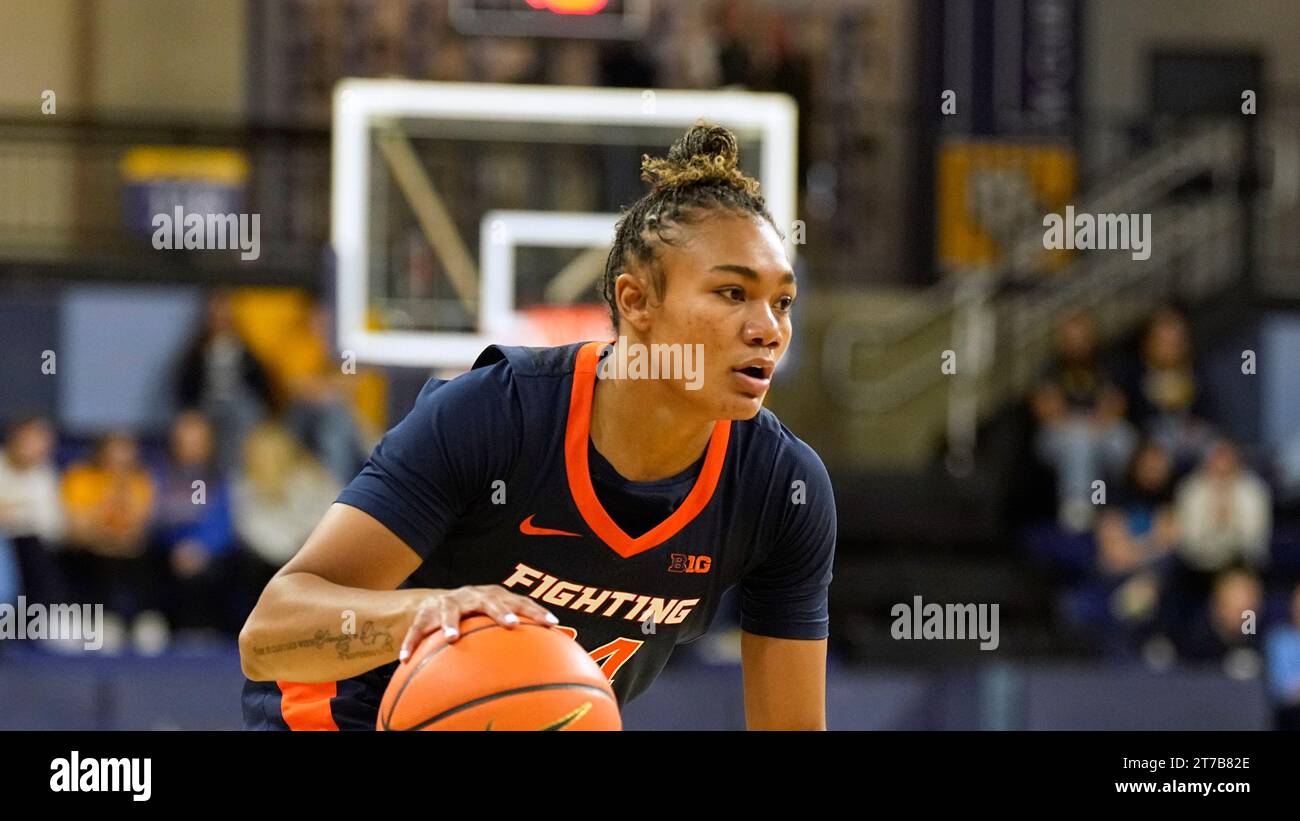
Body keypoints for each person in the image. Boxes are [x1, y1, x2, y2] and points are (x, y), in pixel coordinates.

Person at [239, 123, 836, 730]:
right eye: (732, 292)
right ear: (635, 302)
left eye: (781, 301)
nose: (769, 328)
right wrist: (429, 613)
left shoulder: (782, 489)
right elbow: (267, 635)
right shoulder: (494, 415)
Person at [1031, 310, 1137, 533]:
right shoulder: (1050, 368)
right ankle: (1079, 509)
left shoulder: (1106, 363)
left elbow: (1115, 406)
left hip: (1098, 430)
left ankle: (1119, 504)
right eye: (1072, 338)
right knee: (1079, 443)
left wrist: (1094, 424)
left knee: (1124, 439)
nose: (1078, 344)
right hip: (1057, 436)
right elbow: (1047, 412)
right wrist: (1079, 426)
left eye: (1083, 337)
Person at [153, 411, 238, 638]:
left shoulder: (220, 478)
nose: (190, 447)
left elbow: (224, 523)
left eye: (197, 441)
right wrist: (176, 545)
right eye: (185, 441)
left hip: (207, 554)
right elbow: (155, 517)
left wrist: (202, 547)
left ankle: (206, 632)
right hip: (167, 551)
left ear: (209, 444)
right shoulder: (160, 476)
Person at [0, 416, 65, 605]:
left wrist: (15, 510)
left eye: (43, 442)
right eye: (31, 441)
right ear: (15, 439)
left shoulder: (45, 474)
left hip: (35, 543)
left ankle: (46, 616)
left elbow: (53, 524)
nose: (38, 448)